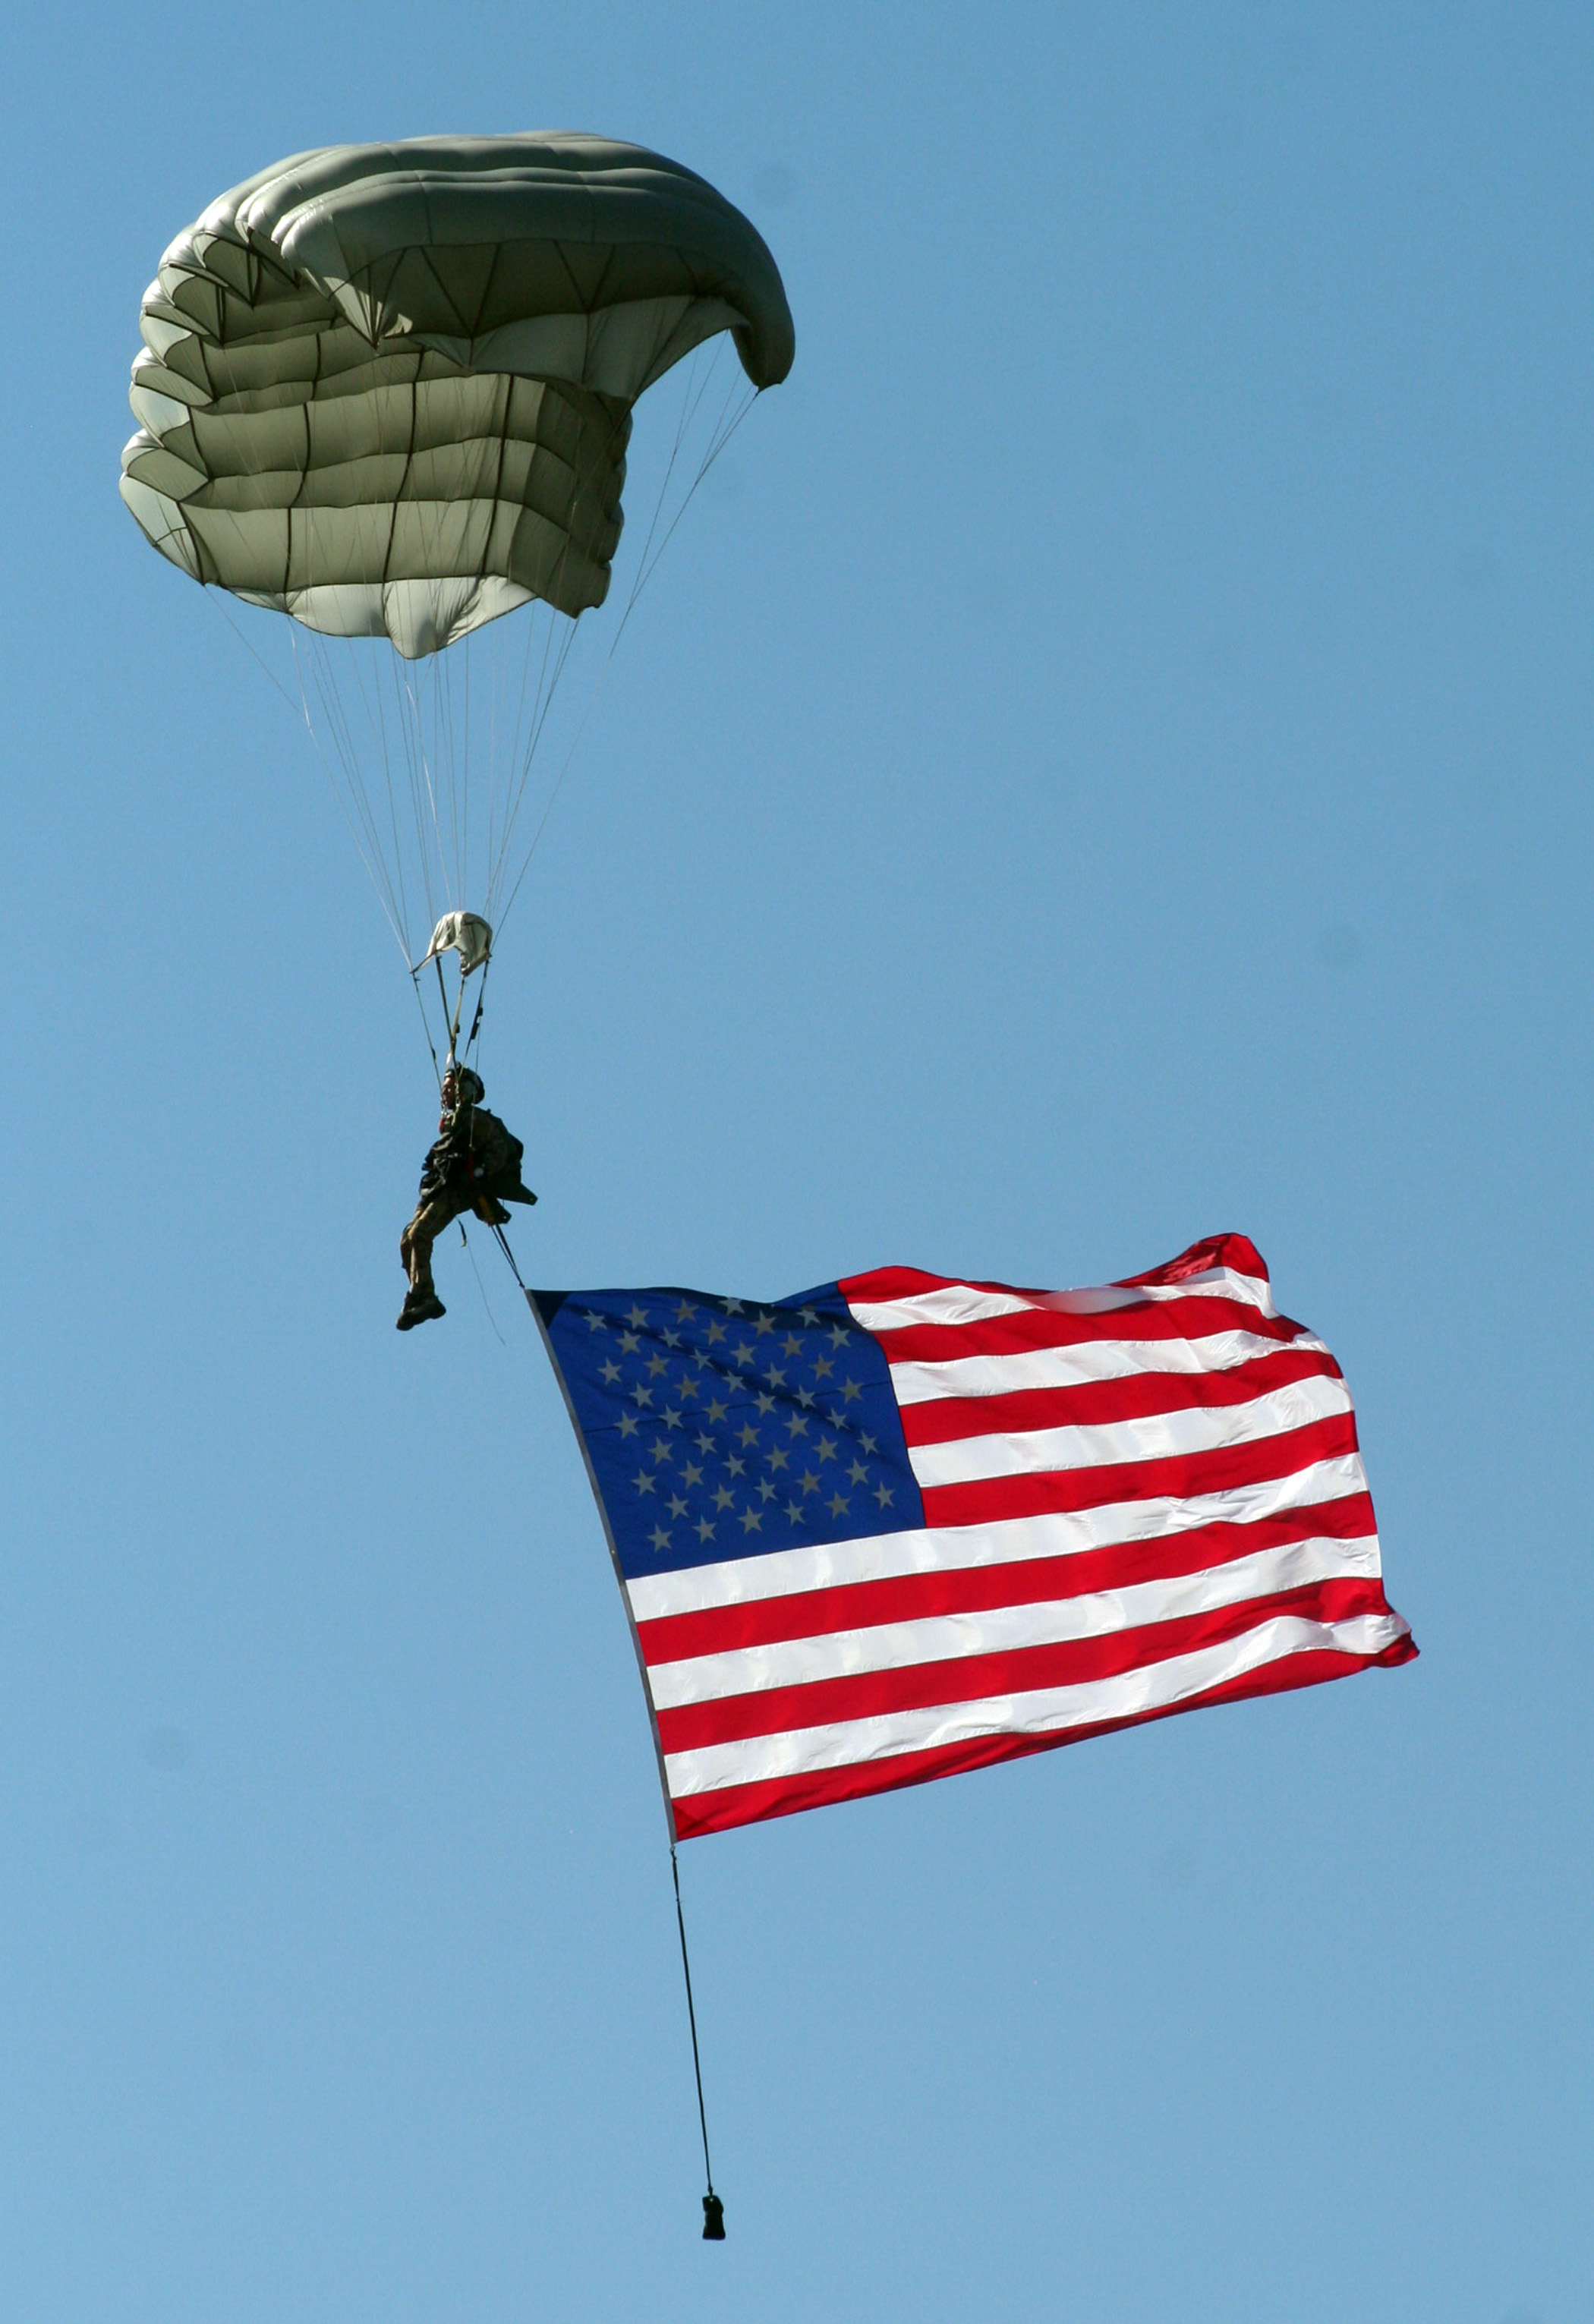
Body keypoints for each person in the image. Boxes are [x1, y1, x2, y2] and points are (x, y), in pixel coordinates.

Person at [397, 1065, 536, 1329]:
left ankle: (424, 1295)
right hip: (439, 1186)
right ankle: (420, 1294)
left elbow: (499, 1150)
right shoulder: (452, 1124)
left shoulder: (474, 1119)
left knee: (420, 1235)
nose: (445, 1091)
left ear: (464, 1090)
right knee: (407, 1239)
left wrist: (479, 1172)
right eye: (445, 1087)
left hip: (457, 1189)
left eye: (451, 1086)